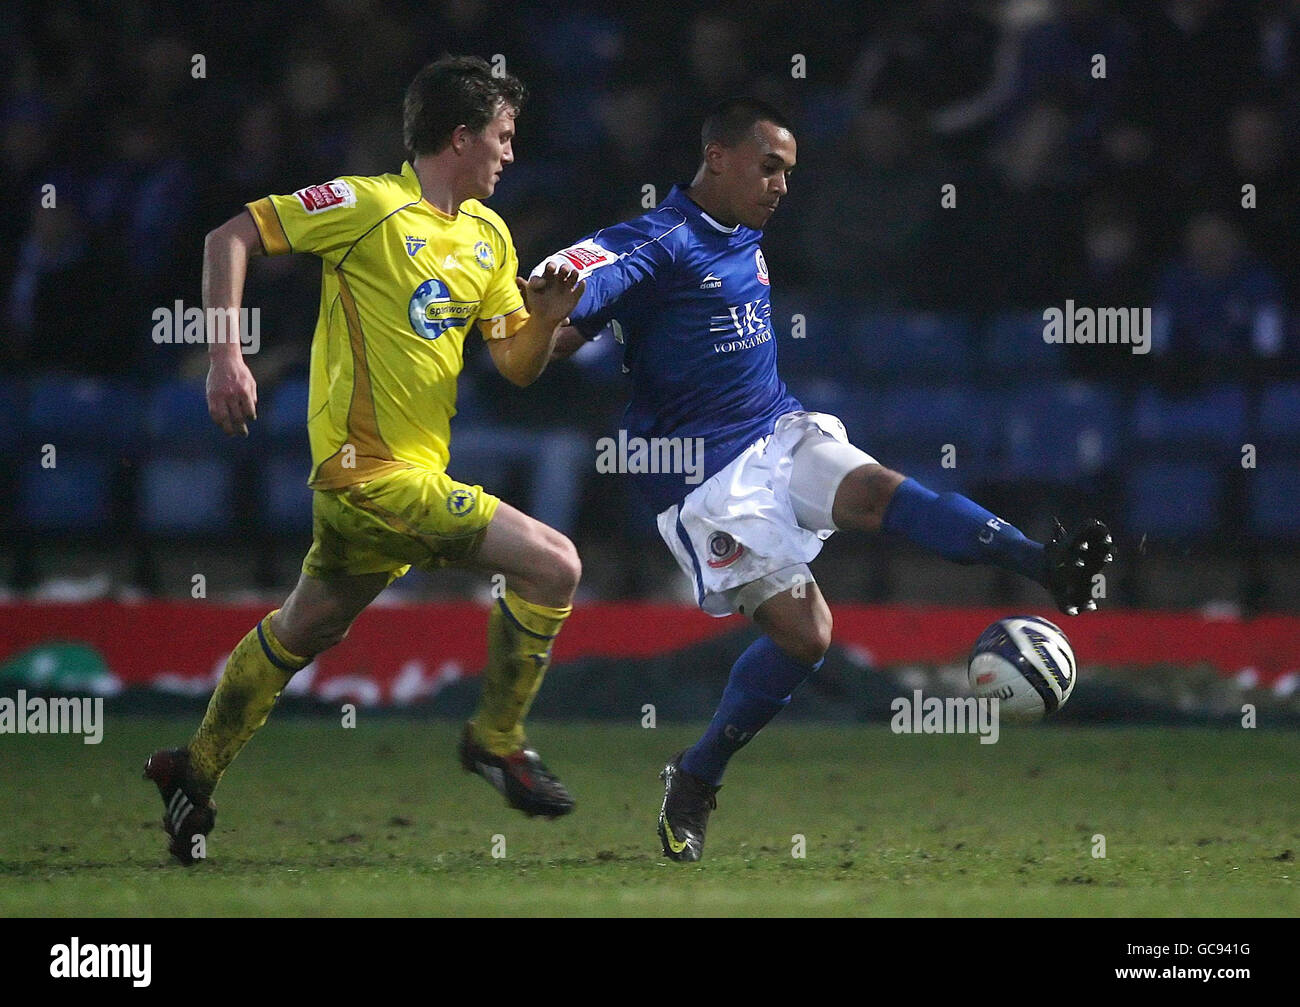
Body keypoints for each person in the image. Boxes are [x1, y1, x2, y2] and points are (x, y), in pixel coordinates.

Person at [534, 97, 1113, 863]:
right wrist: (548, 306)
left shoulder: (744, 237)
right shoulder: (660, 239)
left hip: (775, 428)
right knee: (809, 637)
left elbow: (590, 327)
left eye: (789, 173)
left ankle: (1043, 563)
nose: (781, 185)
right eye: (769, 167)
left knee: (880, 488)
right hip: (704, 478)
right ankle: (697, 776)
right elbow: (585, 282)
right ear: (717, 158)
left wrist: (575, 332)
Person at [144, 56, 586, 865]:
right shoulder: (366, 204)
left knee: (301, 628)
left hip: (404, 487)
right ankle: (495, 739)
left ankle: (191, 769)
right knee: (555, 564)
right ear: (460, 137)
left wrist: (552, 318)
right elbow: (229, 236)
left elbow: (518, 363)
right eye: (502, 136)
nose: (510, 154)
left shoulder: (488, 237)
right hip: (368, 477)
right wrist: (226, 356)